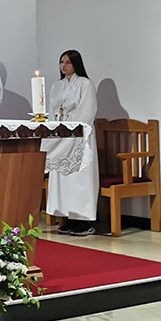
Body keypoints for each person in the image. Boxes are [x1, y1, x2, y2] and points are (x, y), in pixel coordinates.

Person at [43, 50, 100, 236]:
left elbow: (87, 110)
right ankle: (68, 217)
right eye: (61, 62)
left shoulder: (85, 84)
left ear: (76, 64)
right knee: (63, 177)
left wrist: (74, 131)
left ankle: (84, 220)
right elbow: (52, 110)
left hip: (79, 137)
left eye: (67, 62)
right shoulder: (56, 86)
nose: (63, 66)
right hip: (61, 137)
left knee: (79, 179)